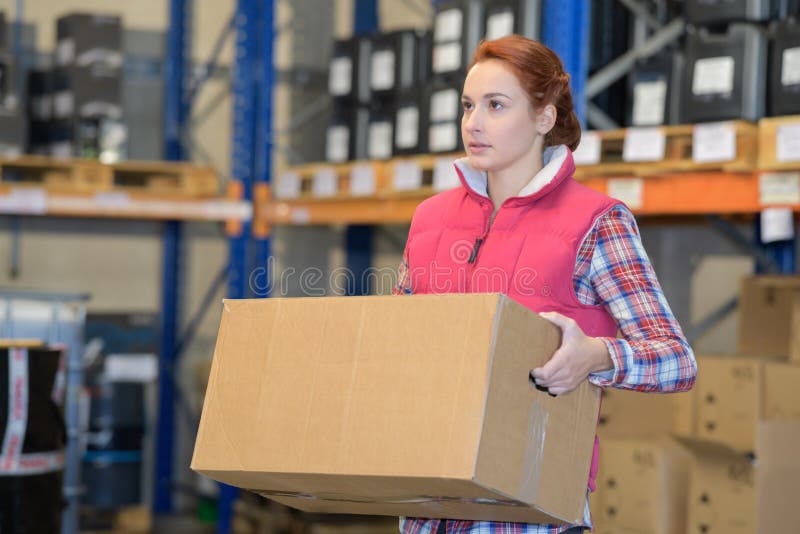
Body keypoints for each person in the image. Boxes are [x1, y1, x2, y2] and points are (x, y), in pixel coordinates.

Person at [392, 35, 697, 534]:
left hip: (533, 511)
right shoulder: (429, 220)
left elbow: (677, 361)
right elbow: (395, 345)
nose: (473, 123)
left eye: (496, 106)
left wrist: (596, 357)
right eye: (468, 106)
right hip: (429, 508)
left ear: (544, 118)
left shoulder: (597, 222)